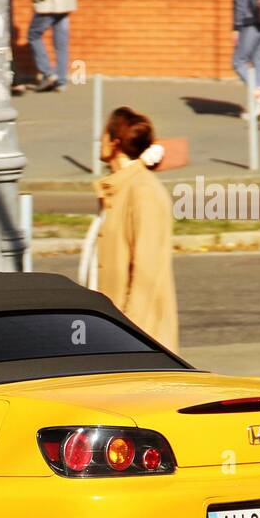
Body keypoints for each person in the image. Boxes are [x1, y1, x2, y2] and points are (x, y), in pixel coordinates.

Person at [81, 106, 178, 351]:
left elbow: (146, 276)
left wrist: (127, 341)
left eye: (104, 135)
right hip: (109, 334)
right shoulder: (117, 189)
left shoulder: (143, 192)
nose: (99, 141)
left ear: (114, 142)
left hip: (135, 343)